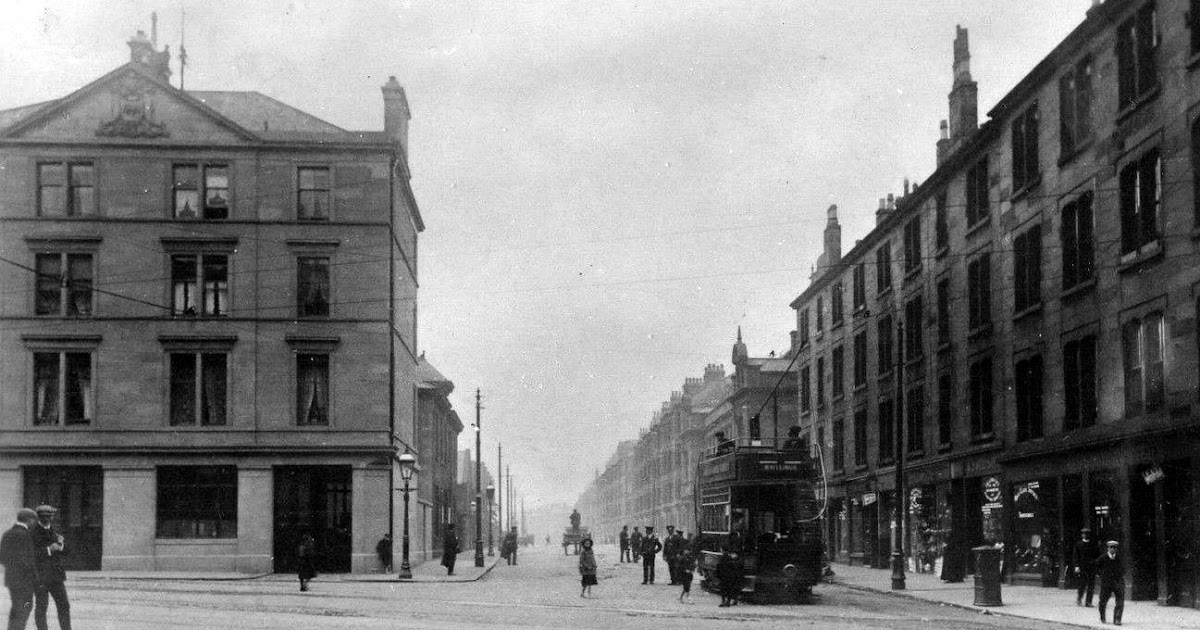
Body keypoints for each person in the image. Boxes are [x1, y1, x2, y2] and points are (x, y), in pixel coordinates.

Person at [31, 505, 70, 630]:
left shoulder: (55, 530)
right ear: (39, 517)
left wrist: (61, 545)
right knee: (42, 606)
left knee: (64, 605)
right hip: (40, 577)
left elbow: (66, 551)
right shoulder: (32, 532)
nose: (48, 519)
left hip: (56, 576)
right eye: (45, 516)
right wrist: (48, 549)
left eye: (50, 516)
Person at [1, 509, 40, 630]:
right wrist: (35, 577)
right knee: (24, 608)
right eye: (34, 519)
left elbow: (2, 557)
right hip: (24, 580)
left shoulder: (7, 533)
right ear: (29, 519)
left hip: (11, 579)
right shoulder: (25, 534)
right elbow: (28, 559)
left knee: (16, 608)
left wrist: (12, 566)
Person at [1096, 540, 1124, 625]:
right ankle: (1102, 616)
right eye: (1111, 547)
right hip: (1106, 583)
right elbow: (1097, 567)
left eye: (1114, 547)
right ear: (1108, 548)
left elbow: (1123, 568)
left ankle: (1117, 619)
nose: (1113, 549)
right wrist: (1102, 576)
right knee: (1103, 600)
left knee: (1120, 600)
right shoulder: (1103, 558)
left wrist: (1120, 577)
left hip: (1117, 581)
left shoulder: (1119, 558)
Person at [1072, 528, 1099, 607]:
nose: (1085, 535)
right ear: (1082, 535)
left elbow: (1097, 555)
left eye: (1087, 534)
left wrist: (1095, 563)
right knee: (1082, 584)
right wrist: (1076, 566)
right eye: (1084, 534)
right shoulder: (1079, 544)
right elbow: (1076, 556)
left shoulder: (1093, 544)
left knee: (1091, 585)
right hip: (1082, 567)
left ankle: (1088, 602)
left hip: (1091, 567)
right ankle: (1079, 598)